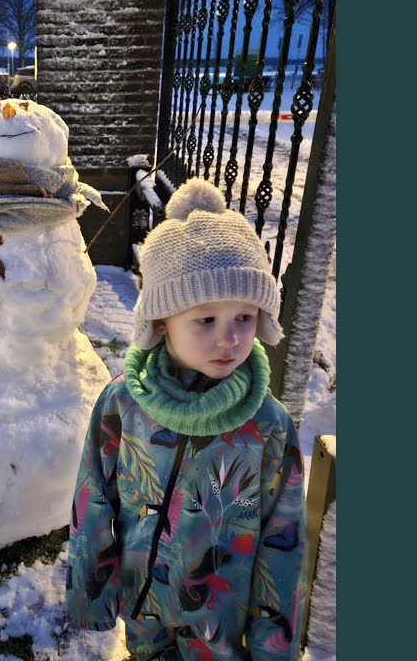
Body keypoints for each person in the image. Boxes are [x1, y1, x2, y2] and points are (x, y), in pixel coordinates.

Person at [66, 178, 307, 661]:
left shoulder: (267, 425)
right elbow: (92, 499)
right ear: (160, 321)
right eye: (205, 320)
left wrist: (273, 642)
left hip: (221, 627)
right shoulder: (123, 405)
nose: (230, 339)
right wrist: (91, 591)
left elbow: (285, 542)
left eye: (243, 317)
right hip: (144, 613)